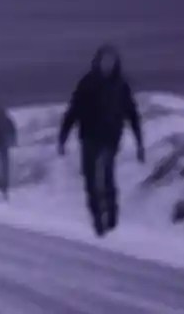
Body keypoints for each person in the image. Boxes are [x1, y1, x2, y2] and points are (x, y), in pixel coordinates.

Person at [58, 44, 145, 237]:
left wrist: (139, 142)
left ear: (116, 64)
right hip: (89, 137)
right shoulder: (87, 83)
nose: (107, 66)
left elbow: (132, 113)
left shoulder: (121, 86)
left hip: (110, 138)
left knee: (106, 176)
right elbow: (73, 110)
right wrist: (63, 137)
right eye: (104, 61)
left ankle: (112, 213)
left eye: (111, 62)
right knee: (90, 179)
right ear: (98, 62)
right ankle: (97, 217)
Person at [0, 105, 17, 201]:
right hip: (3, 145)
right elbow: (12, 131)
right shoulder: (6, 120)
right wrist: (13, 141)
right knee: (4, 166)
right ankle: (4, 186)